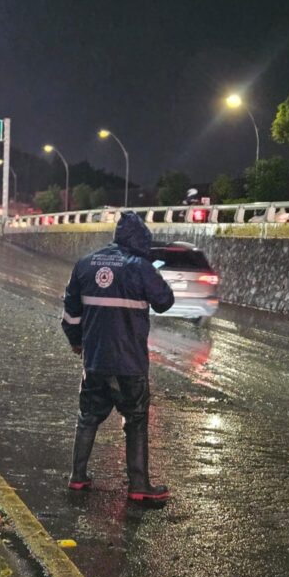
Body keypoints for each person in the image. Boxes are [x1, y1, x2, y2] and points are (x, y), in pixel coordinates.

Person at [61, 211, 174, 501]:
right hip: (130, 363)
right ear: (140, 240)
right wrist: (152, 270)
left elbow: (70, 313)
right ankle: (139, 486)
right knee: (135, 420)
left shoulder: (86, 264)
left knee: (87, 417)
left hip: (95, 360)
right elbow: (164, 302)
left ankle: (77, 476)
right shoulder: (140, 266)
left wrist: (77, 342)